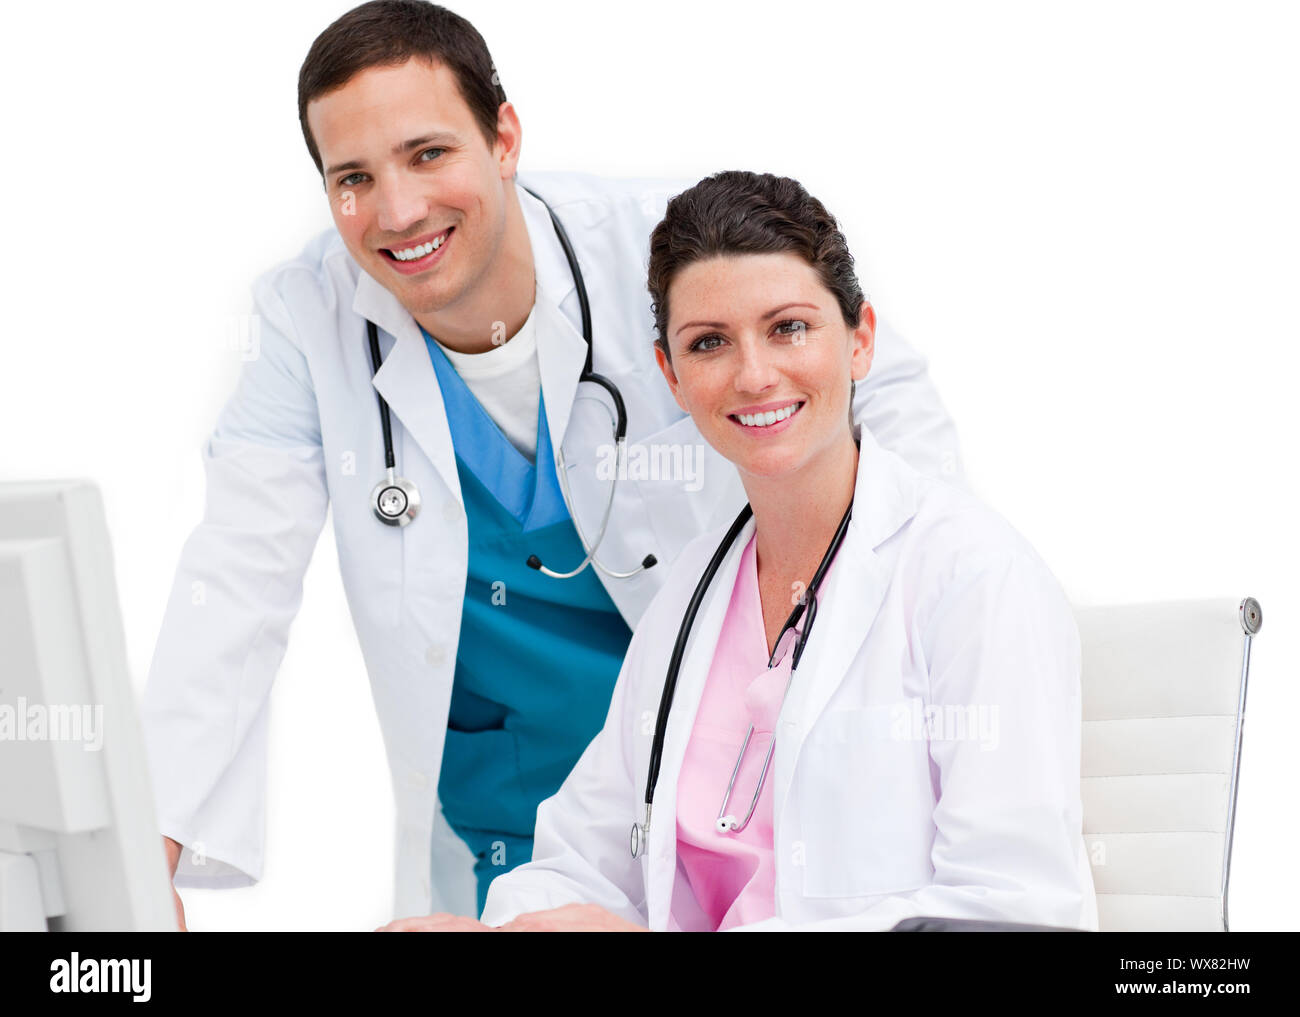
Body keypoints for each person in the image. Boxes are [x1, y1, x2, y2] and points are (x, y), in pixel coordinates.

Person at [141, 1, 964, 926]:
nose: (399, 210)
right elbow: (235, 578)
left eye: (428, 153)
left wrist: (918, 668)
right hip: (520, 839)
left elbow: (884, 414)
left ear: (505, 136)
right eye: (354, 178)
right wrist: (141, 858)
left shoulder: (670, 254)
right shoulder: (306, 321)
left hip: (738, 807)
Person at [378, 172, 1097, 932]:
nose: (754, 375)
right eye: (710, 343)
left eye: (789, 327)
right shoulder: (689, 601)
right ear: (672, 378)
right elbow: (578, 862)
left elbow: (1011, 914)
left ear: (860, 341)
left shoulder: (970, 576)